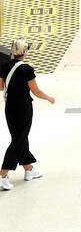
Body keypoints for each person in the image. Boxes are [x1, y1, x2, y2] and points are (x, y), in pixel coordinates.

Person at [0, 40, 55, 190]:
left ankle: (29, 170)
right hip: (23, 109)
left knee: (19, 137)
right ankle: (3, 175)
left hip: (9, 108)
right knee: (18, 140)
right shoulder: (27, 69)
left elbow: (0, 87)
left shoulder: (4, 66)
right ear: (24, 52)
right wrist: (49, 98)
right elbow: (36, 91)